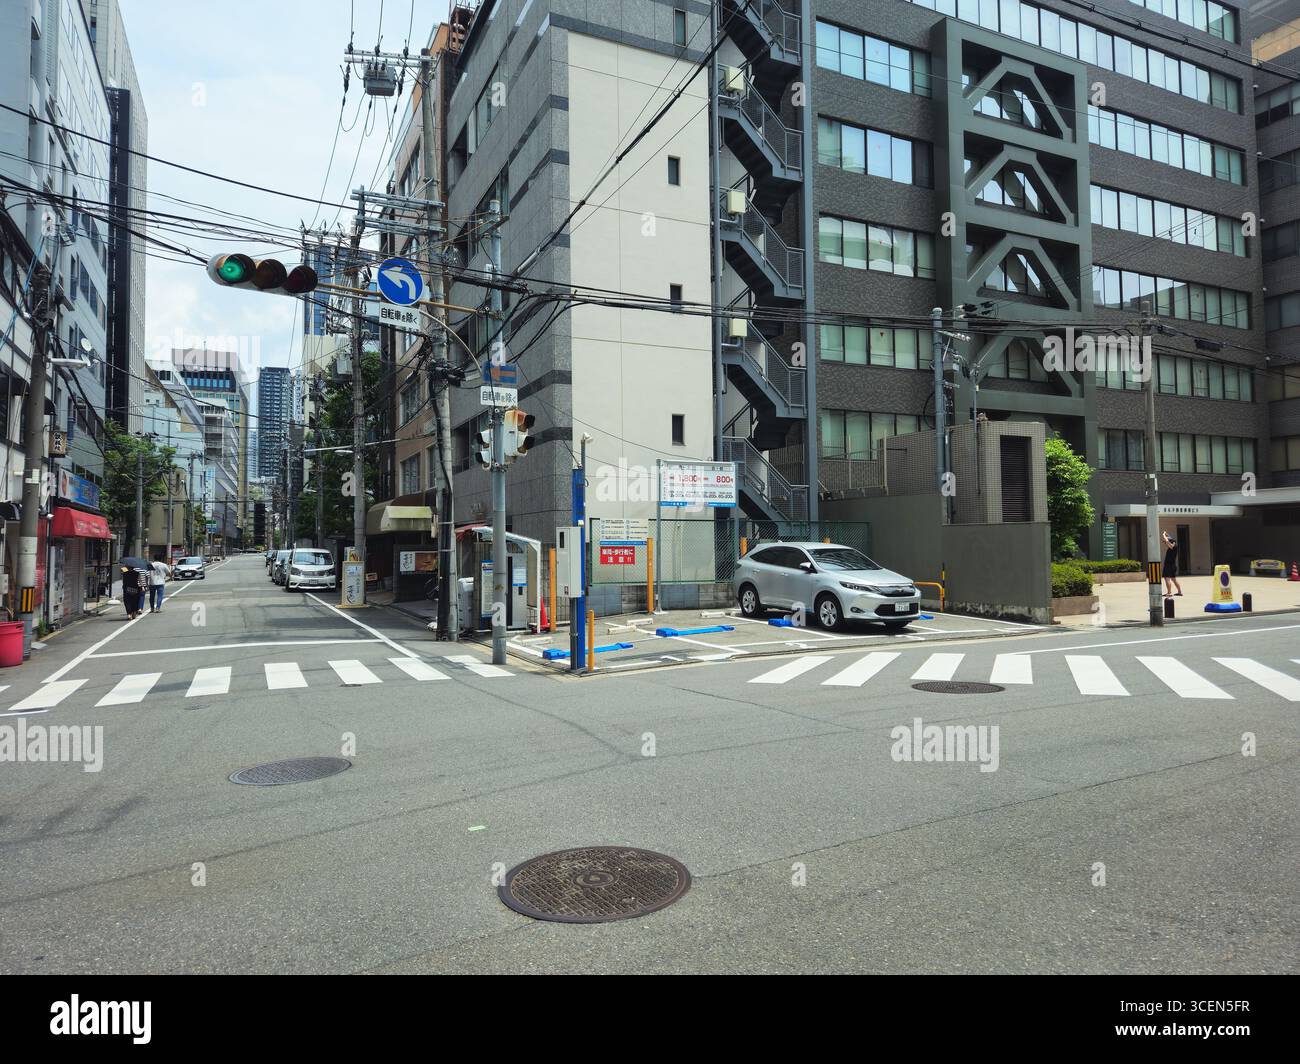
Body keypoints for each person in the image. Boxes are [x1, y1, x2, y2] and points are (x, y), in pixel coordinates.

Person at [1161, 530, 1183, 598]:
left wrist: (1164, 534)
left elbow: (1168, 541)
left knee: (1167, 578)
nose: (1166, 543)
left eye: (1167, 542)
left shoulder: (1172, 547)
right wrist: (1167, 534)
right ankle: (1179, 592)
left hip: (1169, 565)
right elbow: (1169, 540)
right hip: (1173, 565)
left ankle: (1169, 592)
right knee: (1174, 579)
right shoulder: (1174, 545)